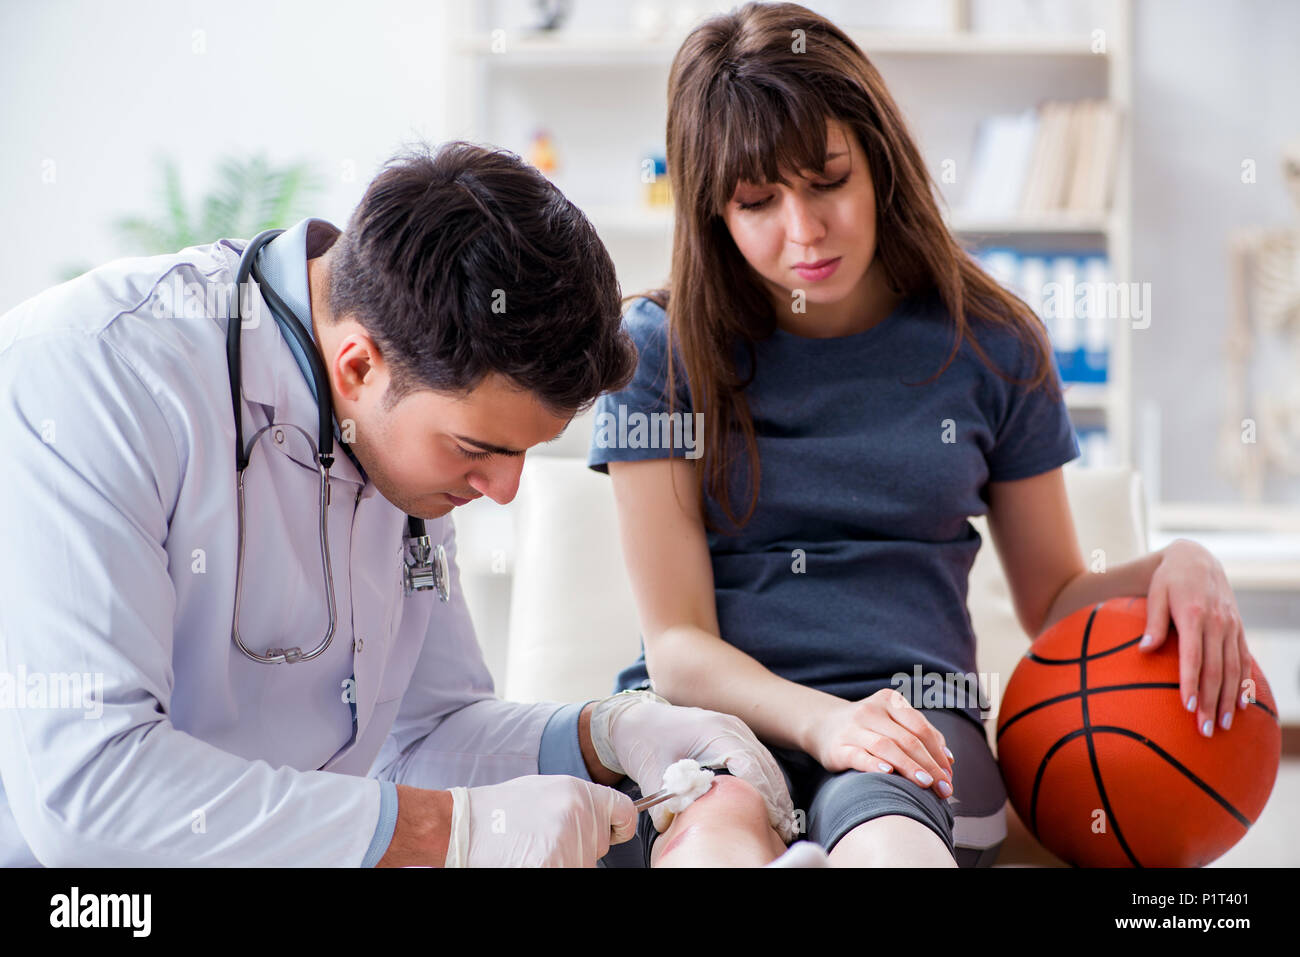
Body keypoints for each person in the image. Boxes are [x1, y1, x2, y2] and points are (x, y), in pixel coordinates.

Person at [0, 140, 797, 867]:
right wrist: (447, 829)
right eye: (478, 450)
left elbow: (425, 736)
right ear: (357, 366)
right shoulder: (91, 377)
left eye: (524, 451)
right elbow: (90, 794)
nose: (506, 489)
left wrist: (610, 731)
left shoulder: (400, 437)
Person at [589, 2, 1250, 867]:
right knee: (714, 836)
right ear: (712, 212)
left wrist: (1178, 562)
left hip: (916, 721)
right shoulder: (657, 350)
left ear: (880, 161)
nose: (804, 231)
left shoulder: (992, 344)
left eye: (828, 179)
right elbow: (676, 646)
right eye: (757, 202)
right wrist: (824, 722)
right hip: (713, 723)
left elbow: (1053, 597)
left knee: (895, 846)